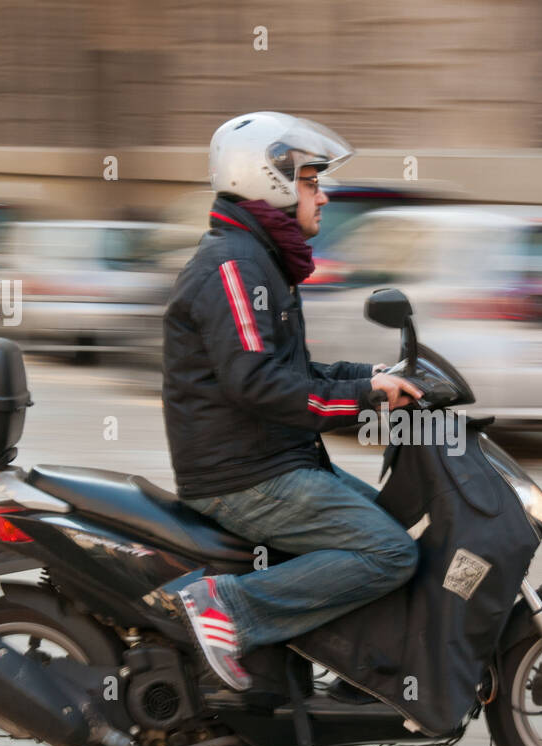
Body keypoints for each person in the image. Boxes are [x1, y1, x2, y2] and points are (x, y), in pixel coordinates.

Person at [146, 111, 424, 692]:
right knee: (389, 553)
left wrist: (372, 377)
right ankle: (228, 608)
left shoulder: (259, 262)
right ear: (269, 180)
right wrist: (362, 401)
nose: (323, 197)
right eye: (311, 180)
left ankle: (362, 670)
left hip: (274, 464)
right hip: (243, 477)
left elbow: (286, 370)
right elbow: (259, 385)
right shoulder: (234, 266)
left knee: (401, 525)